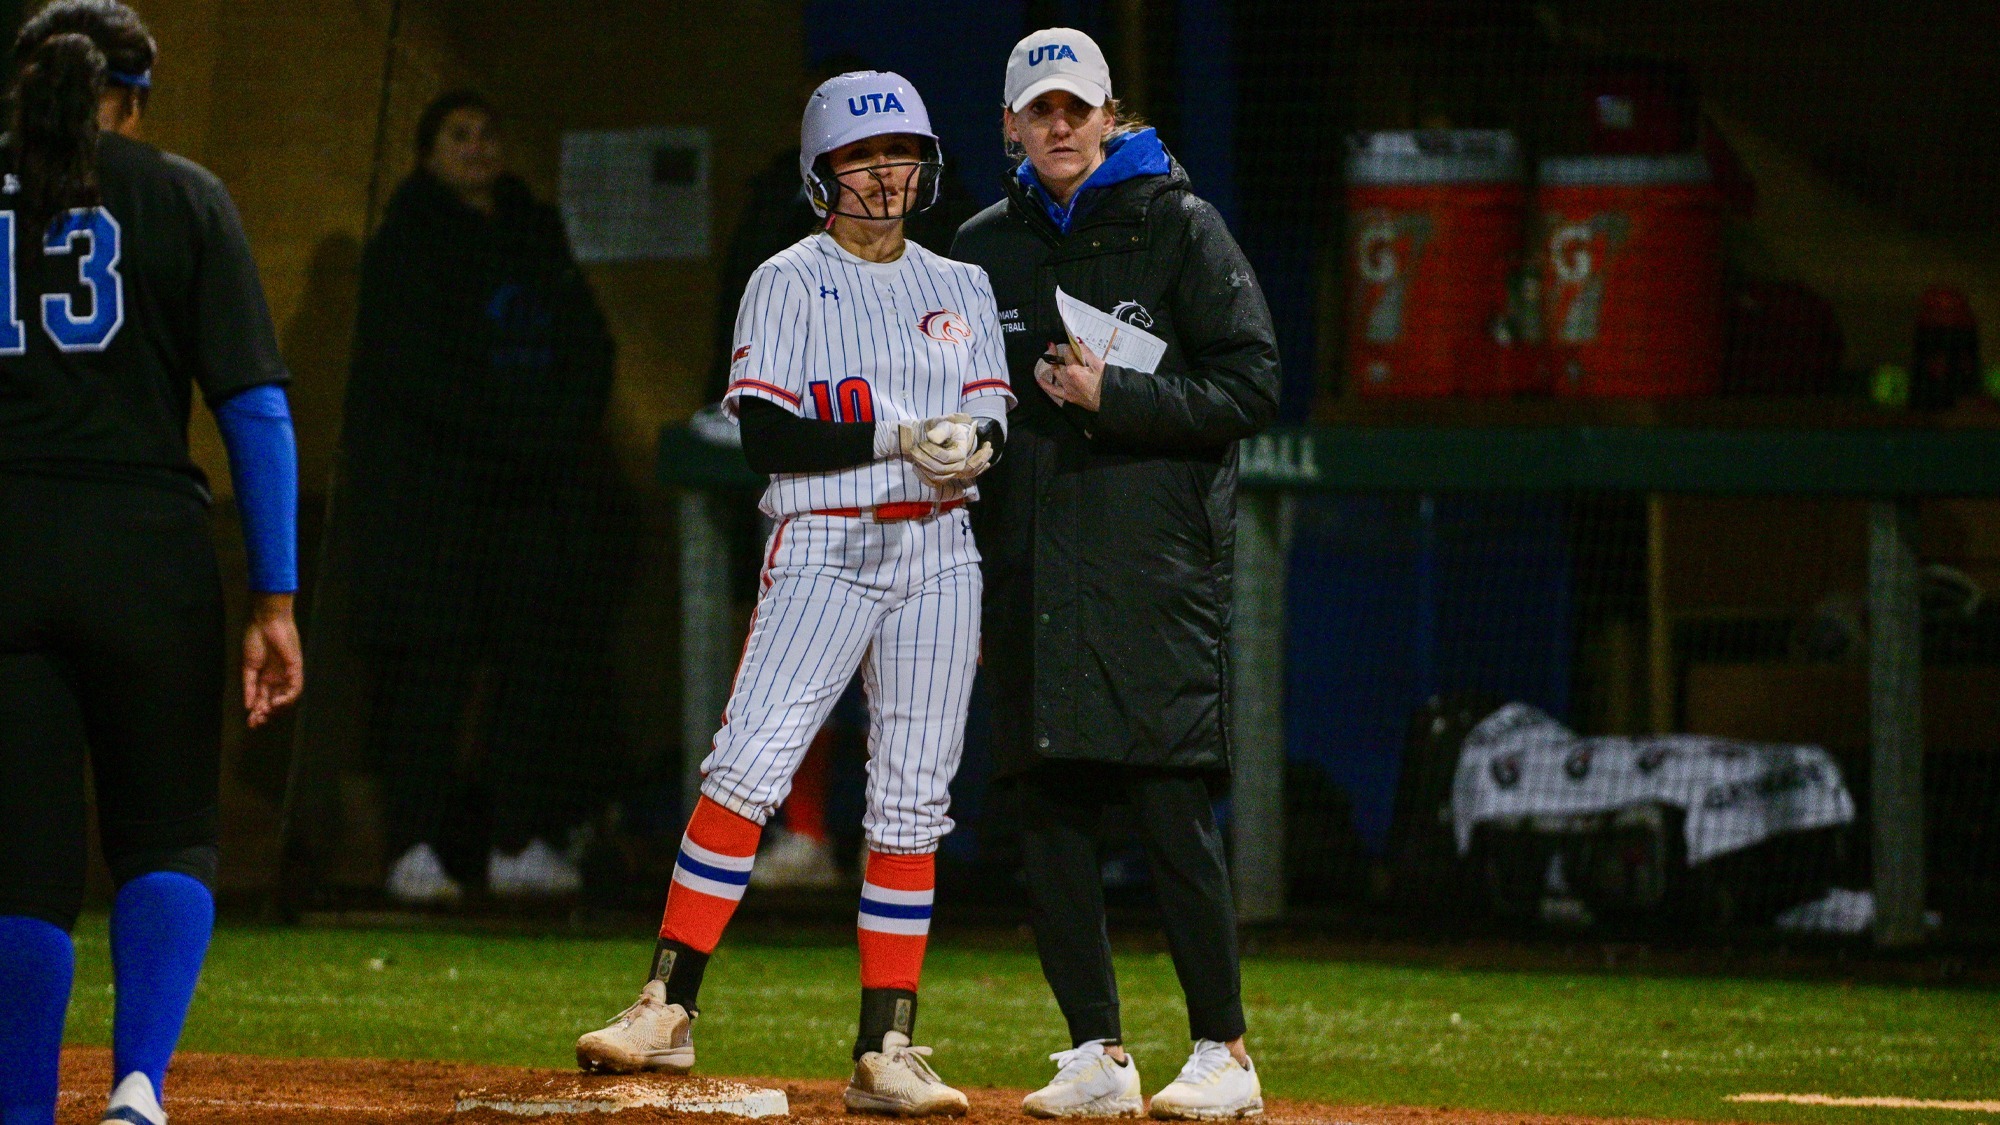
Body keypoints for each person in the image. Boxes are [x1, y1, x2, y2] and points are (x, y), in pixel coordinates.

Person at [575, 70, 1012, 1117]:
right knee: (747, 767)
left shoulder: (959, 283)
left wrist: (975, 444)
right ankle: (666, 1006)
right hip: (823, 544)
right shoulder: (785, 278)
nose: (884, 174)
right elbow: (767, 435)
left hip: (939, 553)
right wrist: (899, 435)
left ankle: (885, 1048)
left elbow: (996, 414)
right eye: (861, 157)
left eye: (899, 154)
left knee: (912, 801)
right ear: (820, 172)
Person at [950, 28, 1281, 1120]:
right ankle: (1097, 1052)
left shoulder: (1181, 226)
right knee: (1047, 815)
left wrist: (1117, 397)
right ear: (1010, 125)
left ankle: (1225, 1052)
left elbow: (1251, 386)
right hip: (1031, 567)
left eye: (1075, 108)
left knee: (1168, 807)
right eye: (1038, 110)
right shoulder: (981, 247)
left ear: (1107, 115)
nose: (1058, 126)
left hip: (1152, 569)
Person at [0, 3, 304, 1124]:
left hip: (8, 550)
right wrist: (275, 596)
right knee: (167, 830)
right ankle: (137, 1085)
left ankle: (21, 1105)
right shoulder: (184, 195)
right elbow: (255, 411)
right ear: (131, 97)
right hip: (147, 557)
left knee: (19, 866)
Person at [341, 90, 630, 905]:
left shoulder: (536, 232)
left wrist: (555, 431)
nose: (477, 148)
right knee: (431, 674)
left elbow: (589, 343)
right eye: (459, 135)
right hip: (439, 500)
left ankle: (516, 838)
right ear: (428, 152)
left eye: (488, 132)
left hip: (532, 494)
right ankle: (416, 846)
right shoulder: (406, 243)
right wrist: (508, 433)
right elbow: (416, 374)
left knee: (535, 665)